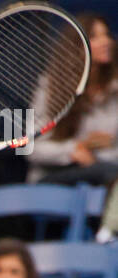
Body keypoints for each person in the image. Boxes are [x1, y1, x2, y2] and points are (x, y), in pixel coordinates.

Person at [26, 13, 118, 186]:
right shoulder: (51, 88)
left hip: (104, 174)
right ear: (76, 46)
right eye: (95, 37)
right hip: (53, 178)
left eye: (106, 35)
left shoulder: (114, 89)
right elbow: (33, 149)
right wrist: (75, 149)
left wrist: (96, 153)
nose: (105, 41)